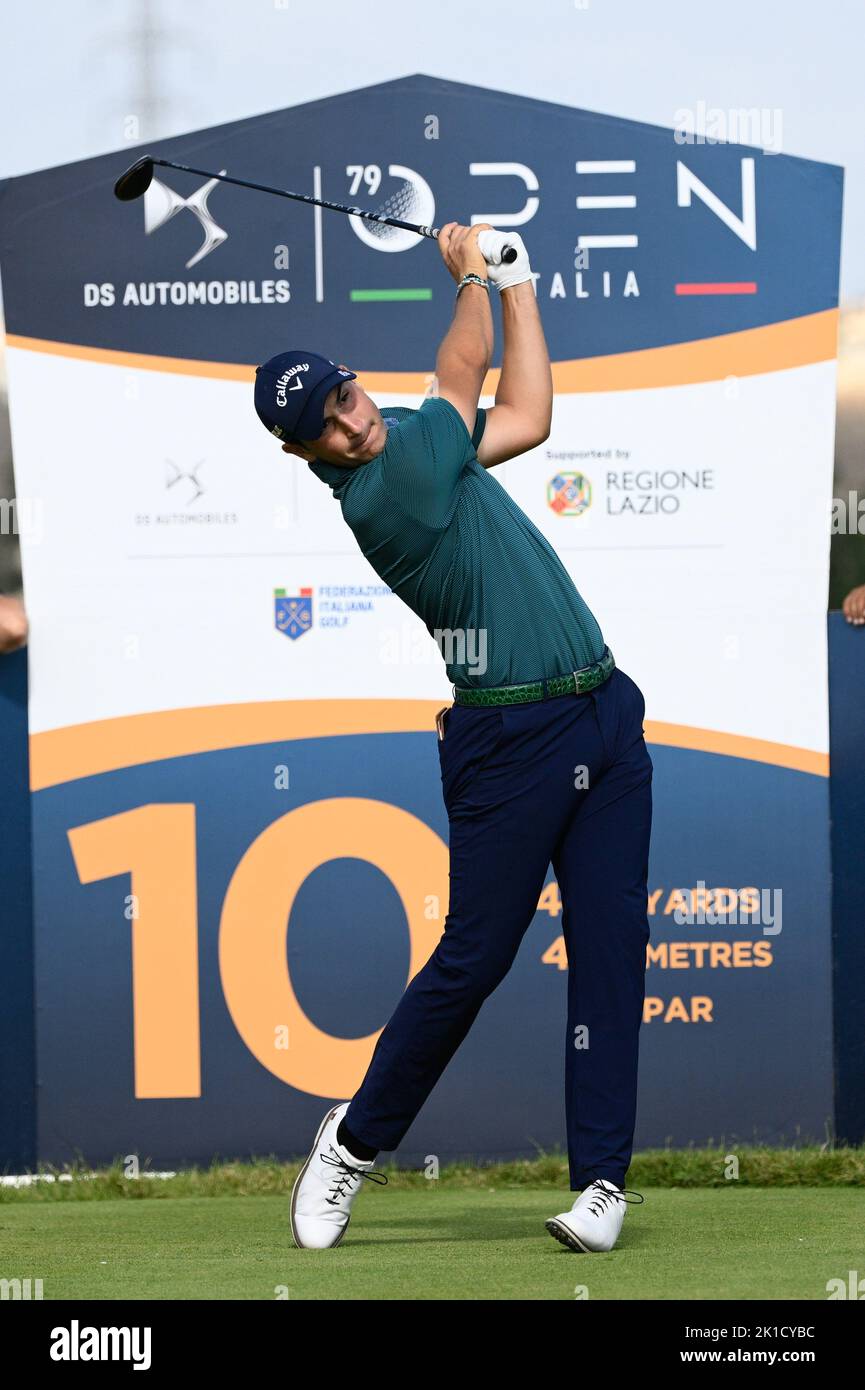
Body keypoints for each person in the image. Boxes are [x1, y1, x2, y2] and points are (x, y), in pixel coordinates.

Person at [253, 222, 651, 1255]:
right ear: (305, 457)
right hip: (508, 742)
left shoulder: (423, 445)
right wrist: (468, 262)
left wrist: (518, 285)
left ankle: (602, 1183)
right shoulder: (390, 491)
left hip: (603, 712)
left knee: (610, 950)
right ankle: (350, 1143)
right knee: (475, 959)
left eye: (343, 397)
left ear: (348, 383)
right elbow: (462, 364)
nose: (349, 425)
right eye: (325, 429)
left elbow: (525, 412)